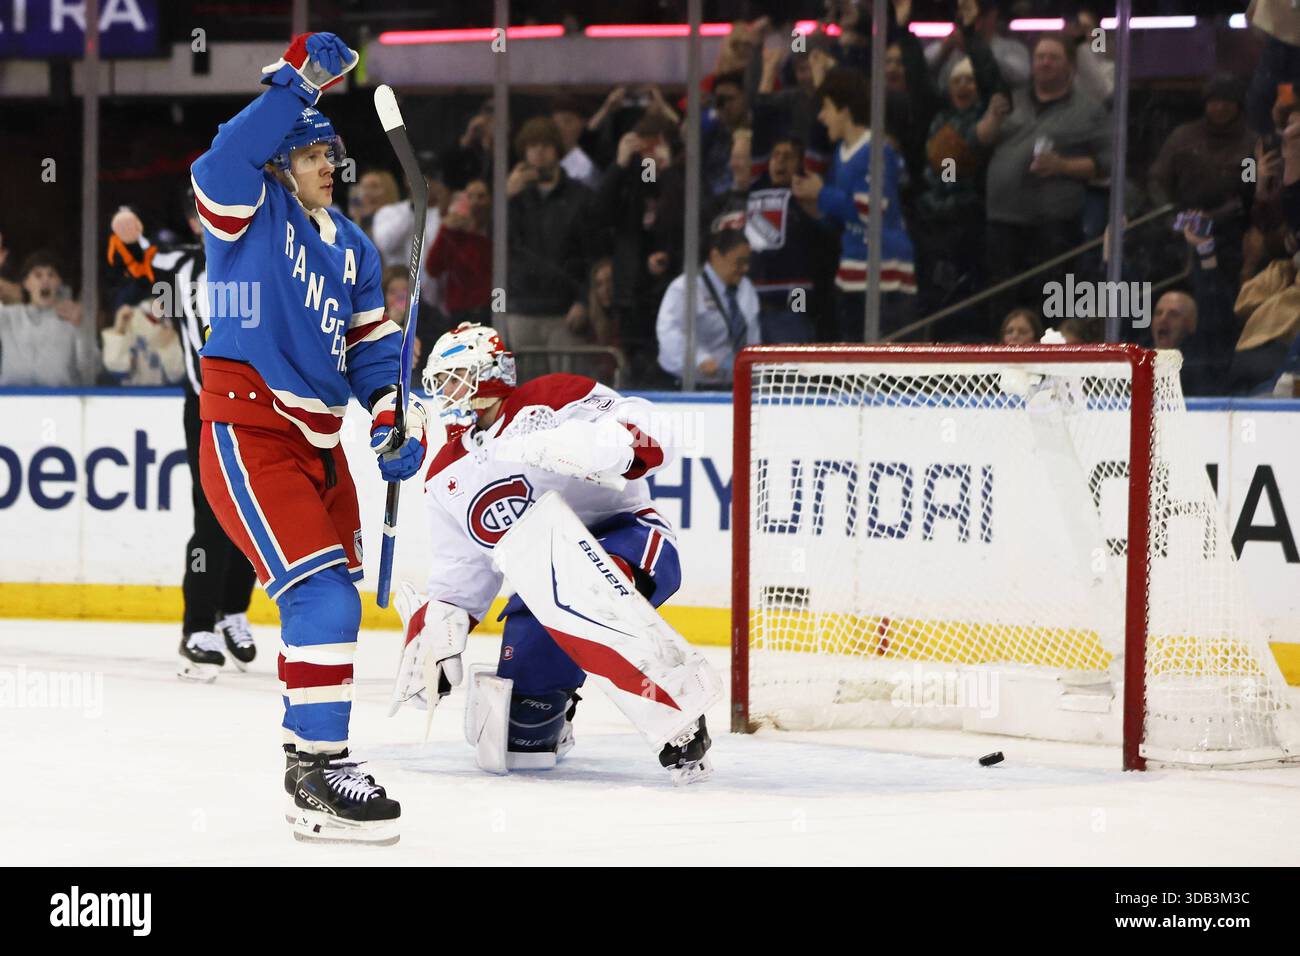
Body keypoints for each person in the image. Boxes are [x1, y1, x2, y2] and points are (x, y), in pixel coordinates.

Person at [189, 32, 429, 845]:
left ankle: (308, 753)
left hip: (319, 444)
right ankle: (320, 770)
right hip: (250, 426)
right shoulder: (246, 210)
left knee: (331, 605)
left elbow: (369, 349)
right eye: (315, 151)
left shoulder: (354, 248)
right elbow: (221, 156)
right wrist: (297, 86)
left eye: (334, 150)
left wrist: (393, 410)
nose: (333, 163)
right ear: (281, 160)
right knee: (320, 595)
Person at [390, 322, 714, 783]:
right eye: (439, 381)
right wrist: (437, 632)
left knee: (581, 581)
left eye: (456, 376)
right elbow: (462, 576)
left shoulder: (553, 398)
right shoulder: (447, 475)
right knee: (517, 743)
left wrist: (599, 444)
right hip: (548, 586)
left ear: (491, 373)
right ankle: (556, 719)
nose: (445, 391)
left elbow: (652, 428)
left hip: (630, 543)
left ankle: (680, 708)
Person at [106, 200, 259, 677]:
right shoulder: (179, 265)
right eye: (201, 215)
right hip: (208, 409)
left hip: (262, 408)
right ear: (195, 223)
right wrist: (126, 234)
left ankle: (232, 609)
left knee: (256, 514)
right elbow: (134, 259)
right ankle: (197, 628)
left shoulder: (265, 259)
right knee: (213, 516)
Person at [980, 32, 1111, 328]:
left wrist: (1064, 165)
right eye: (1040, 57)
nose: (1045, 63)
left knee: (1048, 306)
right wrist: (992, 118)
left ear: (1071, 67)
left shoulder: (1089, 110)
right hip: (1003, 222)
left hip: (1053, 227)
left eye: (1053, 57)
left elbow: (1107, 163)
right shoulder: (1011, 101)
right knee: (1001, 302)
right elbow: (979, 141)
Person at [791, 66, 916, 341]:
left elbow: (871, 210)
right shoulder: (842, 152)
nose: (822, 117)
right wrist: (813, 205)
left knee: (886, 370)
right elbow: (842, 215)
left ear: (845, 110)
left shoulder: (877, 150)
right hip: (851, 272)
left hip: (886, 274)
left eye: (826, 108)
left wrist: (822, 193)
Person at [504, 117, 596, 354]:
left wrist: (585, 300)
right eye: (532, 147)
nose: (539, 152)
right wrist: (507, 199)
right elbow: (498, 245)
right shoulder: (515, 198)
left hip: (564, 311)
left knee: (566, 386)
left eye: (545, 145)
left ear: (557, 149)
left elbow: (592, 253)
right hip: (521, 308)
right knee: (526, 388)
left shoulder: (580, 196)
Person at [655, 228, 760, 388]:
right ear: (716, 256)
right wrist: (699, 359)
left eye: (747, 262)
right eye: (739, 262)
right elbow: (669, 331)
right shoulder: (685, 288)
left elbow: (753, 336)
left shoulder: (747, 288)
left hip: (733, 385)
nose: (745, 268)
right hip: (687, 386)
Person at [0, 251, 98, 386]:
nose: (45, 280)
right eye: (38, 275)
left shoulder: (73, 318)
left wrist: (81, 328)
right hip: (11, 402)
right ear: (26, 283)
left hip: (62, 403)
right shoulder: (8, 316)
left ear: (59, 282)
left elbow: (93, 369)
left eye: (51, 275)